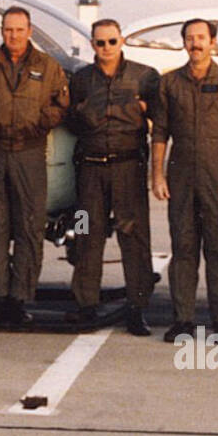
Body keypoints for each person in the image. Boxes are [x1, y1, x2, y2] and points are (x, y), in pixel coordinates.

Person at [151, 18, 218, 340]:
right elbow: (161, 133)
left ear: (212, 42)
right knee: (183, 248)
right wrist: (158, 174)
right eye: (190, 38)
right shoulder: (169, 84)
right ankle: (183, 320)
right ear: (183, 42)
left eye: (201, 38)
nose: (195, 43)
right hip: (181, 175)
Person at [0, 6, 70, 325]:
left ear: (29, 31)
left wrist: (39, 124)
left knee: (29, 228)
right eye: (8, 30)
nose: (13, 36)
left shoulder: (47, 66)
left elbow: (60, 104)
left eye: (19, 30)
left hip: (29, 153)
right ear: (2, 32)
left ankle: (19, 297)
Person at [66, 18, 158, 335]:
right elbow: (72, 122)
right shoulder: (81, 79)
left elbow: (158, 120)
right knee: (87, 236)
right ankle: (85, 304)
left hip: (128, 167)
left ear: (121, 42)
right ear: (92, 44)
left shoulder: (145, 77)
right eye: (100, 42)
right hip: (90, 168)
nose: (106, 48)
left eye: (112, 41)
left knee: (134, 238)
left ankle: (137, 308)